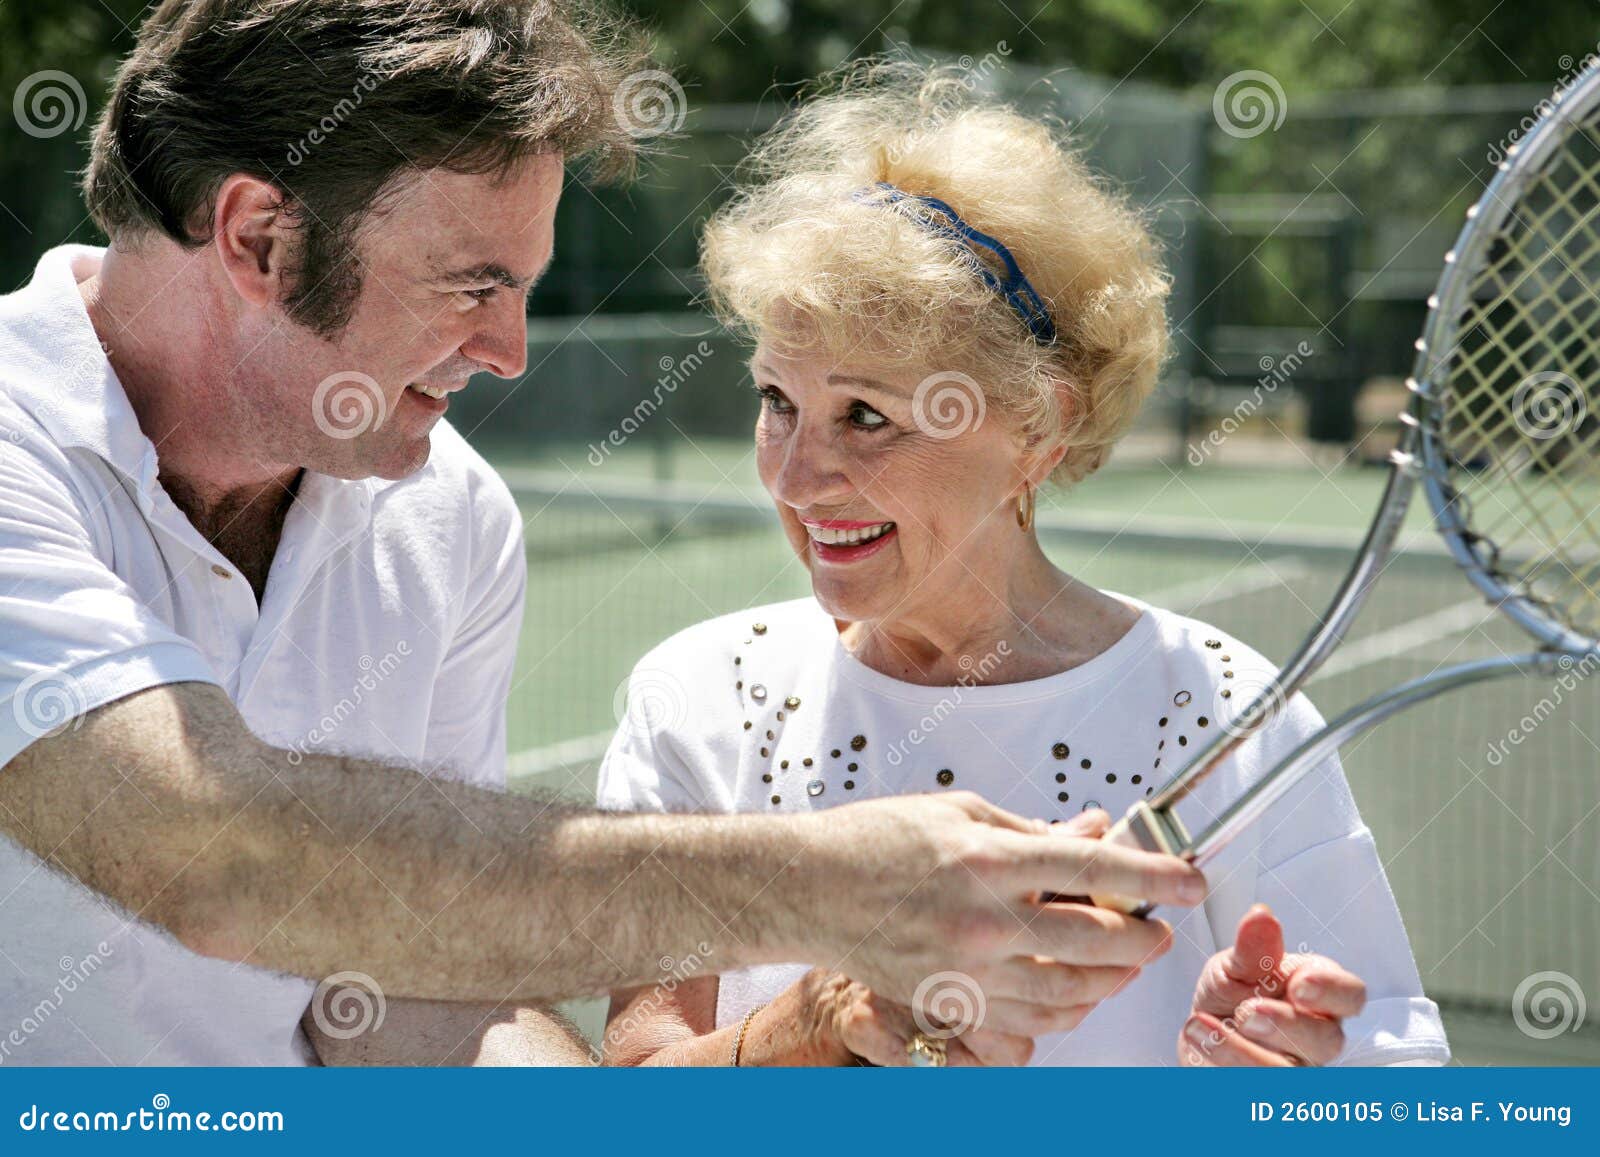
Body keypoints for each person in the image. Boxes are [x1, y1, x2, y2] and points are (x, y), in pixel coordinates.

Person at [0, 3, 1207, 1067]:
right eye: (473, 284)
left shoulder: (449, 514)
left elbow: (415, 998)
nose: (509, 351)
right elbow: (212, 851)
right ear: (261, 237)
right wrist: (841, 886)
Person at [599, 65, 1452, 1067]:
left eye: (866, 415)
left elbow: (1393, 1071)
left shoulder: (1224, 714)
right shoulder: (699, 701)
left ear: (1041, 426)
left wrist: (1273, 1078)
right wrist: (818, 1021)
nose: (795, 475)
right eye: (777, 399)